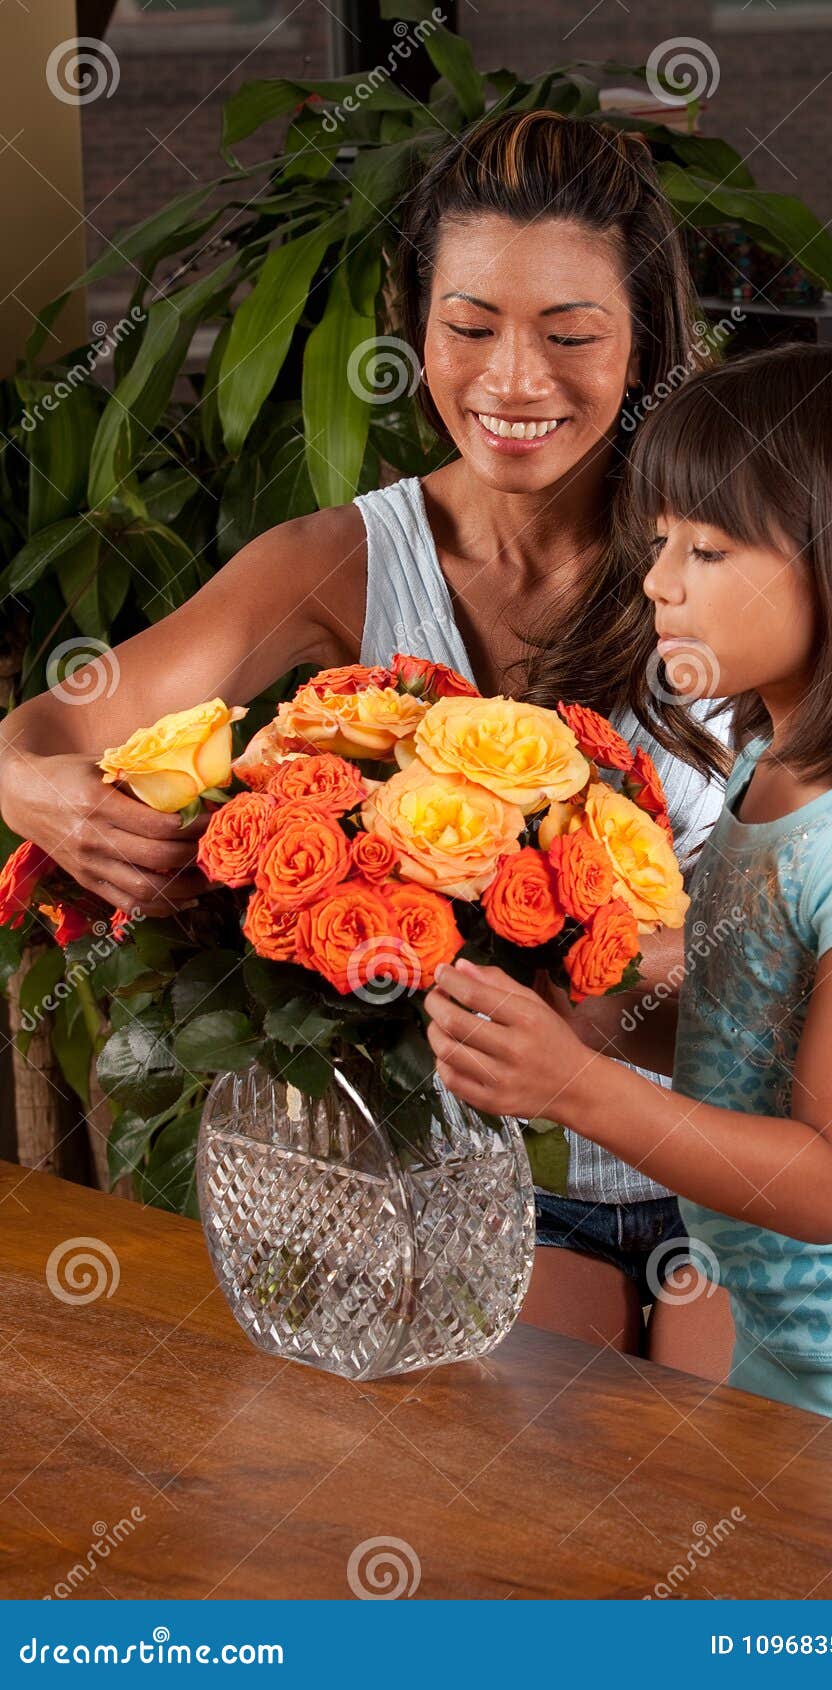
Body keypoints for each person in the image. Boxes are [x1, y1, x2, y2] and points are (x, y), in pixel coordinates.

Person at [0, 111, 733, 1372]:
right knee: (524, 1525)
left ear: (645, 338)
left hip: (740, 1167)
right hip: (483, 1189)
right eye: (469, 329)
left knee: (742, 1522)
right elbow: (52, 726)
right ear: (412, 321)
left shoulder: (739, 554)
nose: (514, 381)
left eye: (570, 334)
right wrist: (37, 793)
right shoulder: (337, 561)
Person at [423, 342, 832, 1461]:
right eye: (658, 542)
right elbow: (745, 1038)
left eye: (705, 549)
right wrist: (589, 1017)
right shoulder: (771, 761)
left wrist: (575, 1089)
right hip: (791, 1345)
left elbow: (823, 1180)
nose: (657, 580)